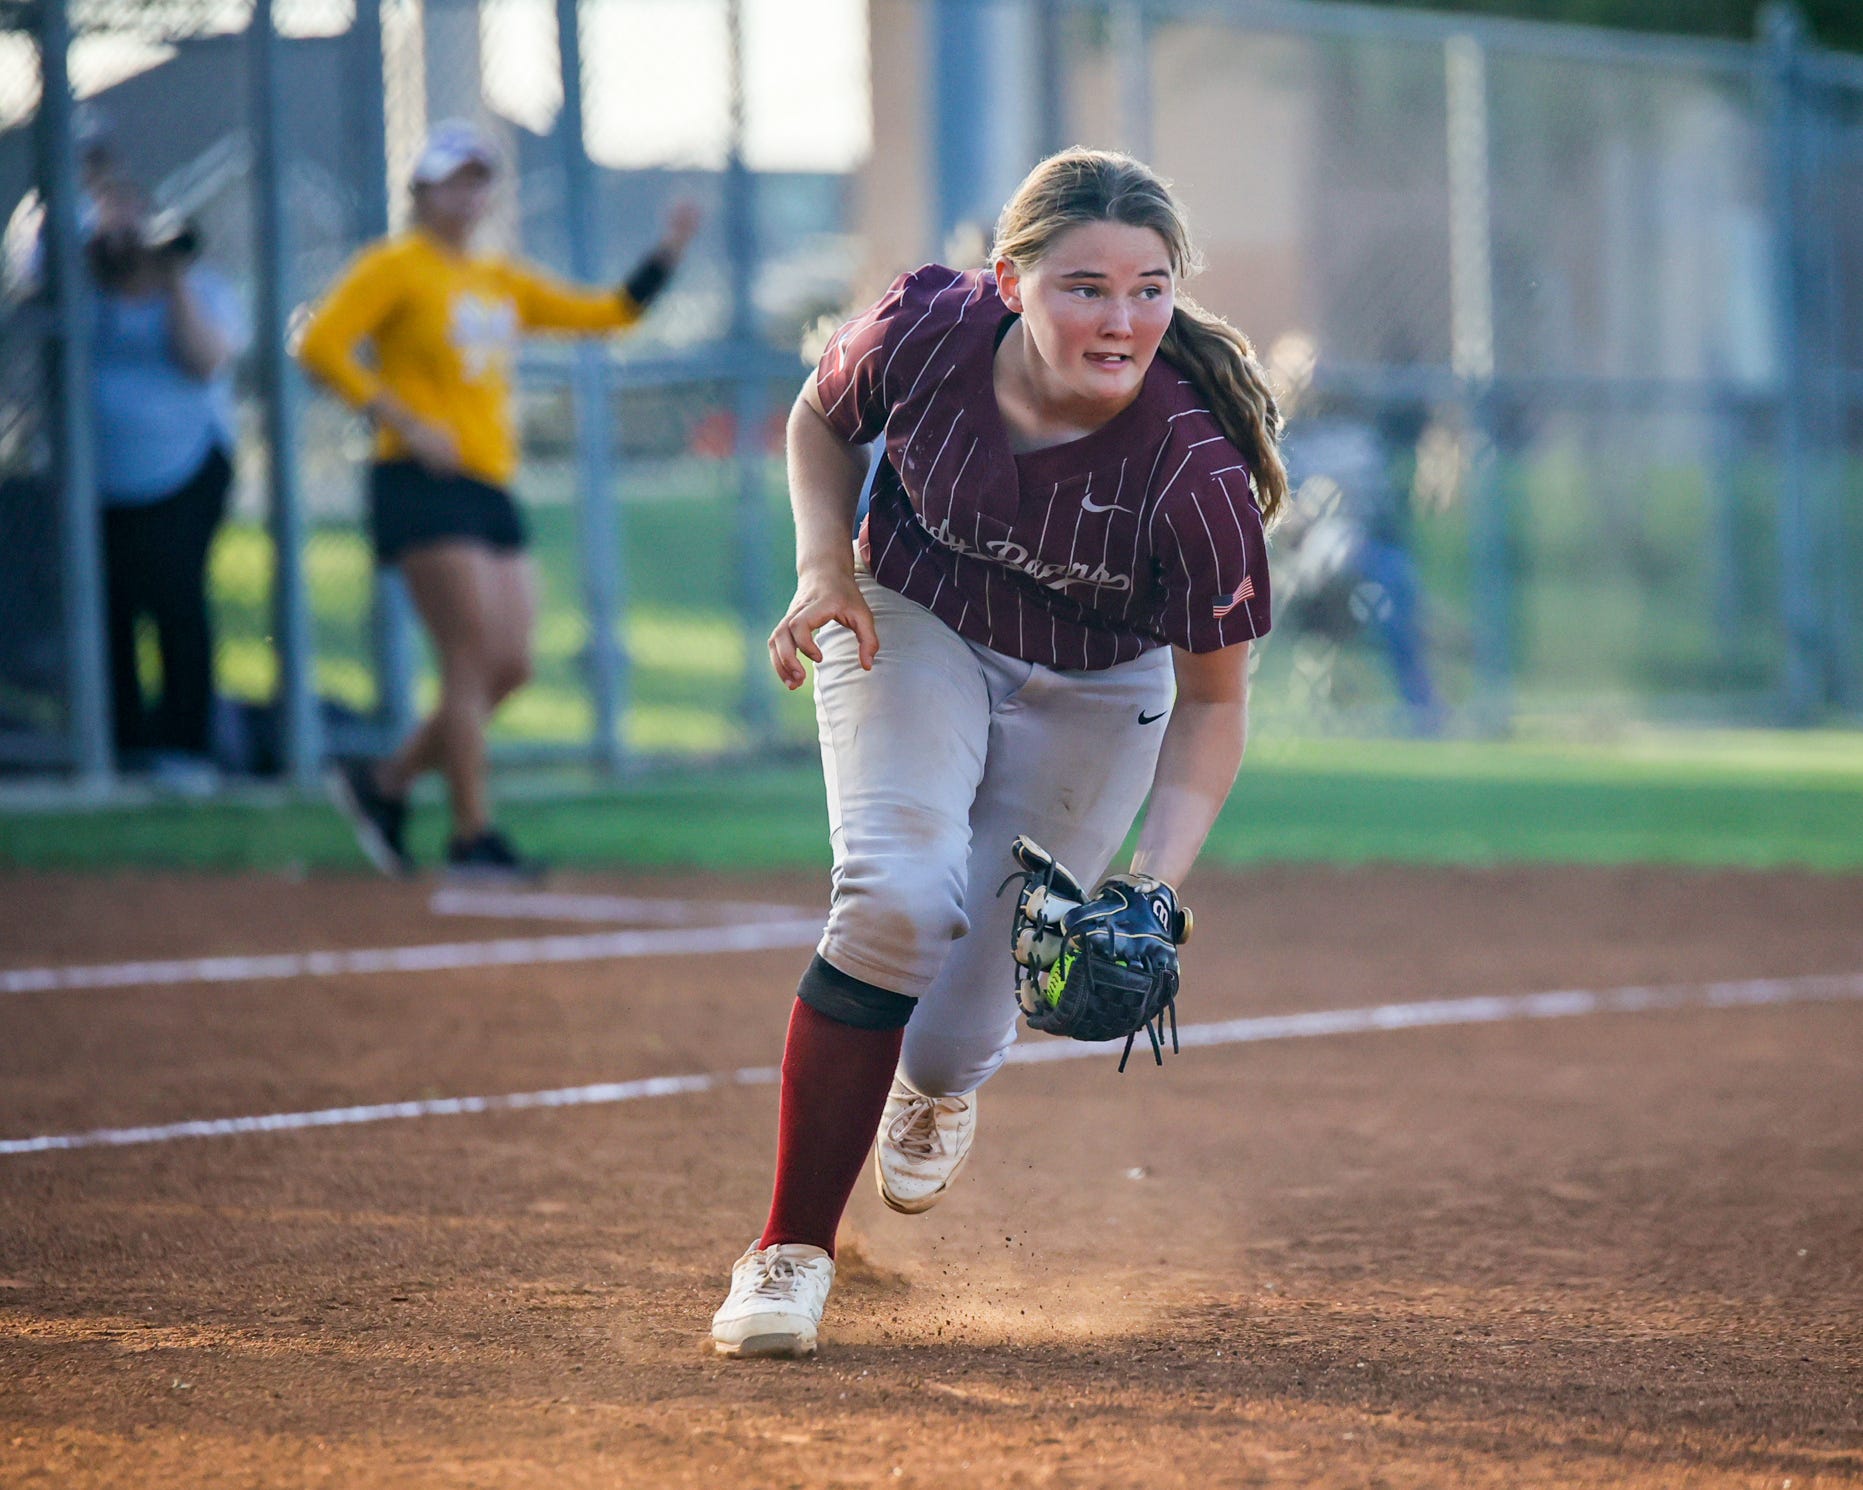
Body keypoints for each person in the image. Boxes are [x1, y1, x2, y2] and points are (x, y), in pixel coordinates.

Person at [709, 148, 1284, 1358]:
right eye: (1084, 284)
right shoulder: (927, 329)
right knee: (897, 899)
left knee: (956, 1027)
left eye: (1149, 285)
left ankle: (938, 1086)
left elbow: (1214, 703)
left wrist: (1158, 881)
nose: (1121, 318)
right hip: (909, 614)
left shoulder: (1195, 473)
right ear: (1011, 278)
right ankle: (788, 1251)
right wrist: (822, 567)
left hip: (1097, 684)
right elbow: (821, 418)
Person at [298, 120, 699, 879]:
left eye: (480, 178)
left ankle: (383, 783)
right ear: (420, 189)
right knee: (468, 656)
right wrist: (405, 422)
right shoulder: (394, 266)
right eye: (455, 177)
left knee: (509, 665)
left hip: (487, 483)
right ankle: (470, 834)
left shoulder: (494, 278)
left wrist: (667, 253)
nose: (470, 192)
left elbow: (606, 314)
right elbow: (319, 344)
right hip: (418, 481)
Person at [88, 178, 243, 782]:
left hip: (184, 470)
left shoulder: (199, 289)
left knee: (176, 600)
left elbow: (206, 360)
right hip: (93, 484)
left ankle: (185, 746)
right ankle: (116, 745)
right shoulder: (76, 292)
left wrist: (169, 277)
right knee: (107, 609)